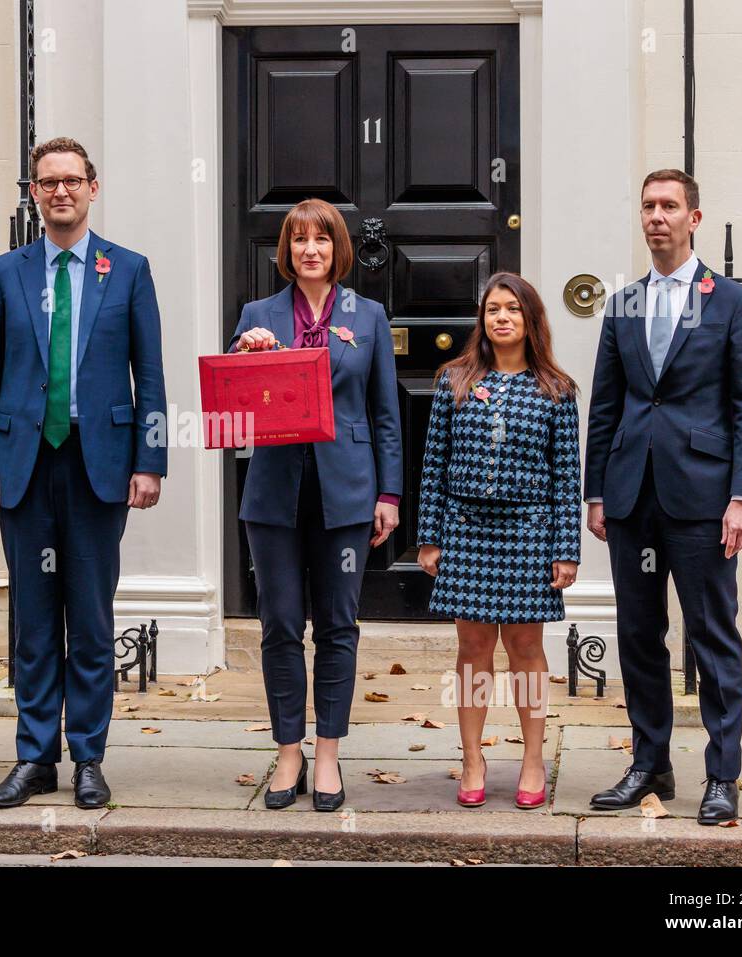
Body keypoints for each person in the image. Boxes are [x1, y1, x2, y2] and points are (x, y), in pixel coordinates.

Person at [0, 137, 167, 809]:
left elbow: (152, 377)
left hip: (98, 464)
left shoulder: (129, 270)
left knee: (90, 612)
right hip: (23, 464)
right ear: (33, 192)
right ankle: (33, 757)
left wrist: (151, 459)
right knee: (32, 619)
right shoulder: (6, 272)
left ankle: (88, 754)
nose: (59, 191)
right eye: (47, 181)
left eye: (71, 180)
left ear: (92, 187)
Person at [584, 169, 742, 825]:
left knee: (712, 635)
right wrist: (597, 492)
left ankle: (723, 774)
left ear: (694, 217)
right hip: (633, 494)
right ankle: (649, 763)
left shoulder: (734, 303)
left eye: (669, 205)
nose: (656, 215)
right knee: (638, 634)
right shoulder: (623, 303)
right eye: (648, 206)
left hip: (704, 497)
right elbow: (605, 404)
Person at [229, 198, 402, 811]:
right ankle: (288, 752)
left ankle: (328, 751)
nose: (310, 249)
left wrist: (388, 493)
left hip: (347, 493)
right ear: (286, 250)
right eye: (299, 239)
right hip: (274, 493)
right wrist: (247, 354)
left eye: (321, 240)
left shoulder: (370, 315)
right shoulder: (257, 314)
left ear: (337, 249)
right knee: (279, 625)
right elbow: (233, 408)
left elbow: (385, 414)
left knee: (337, 625)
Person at [416, 272, 580, 811]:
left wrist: (565, 548)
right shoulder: (454, 381)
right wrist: (430, 537)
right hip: (466, 532)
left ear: (530, 319)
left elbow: (566, 478)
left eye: (512, 308)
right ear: (482, 320)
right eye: (492, 309)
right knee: (473, 649)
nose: (501, 317)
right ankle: (471, 757)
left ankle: (533, 758)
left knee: (526, 650)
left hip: (528, 535)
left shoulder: (556, 390)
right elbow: (433, 463)